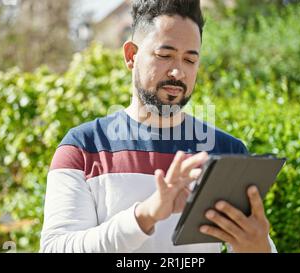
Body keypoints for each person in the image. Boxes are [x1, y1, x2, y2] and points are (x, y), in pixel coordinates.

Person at [40, 0, 277, 253]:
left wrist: (259, 247)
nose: (178, 72)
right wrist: (145, 215)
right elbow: (55, 249)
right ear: (131, 56)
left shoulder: (228, 152)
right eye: (165, 55)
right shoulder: (81, 148)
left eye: (190, 60)